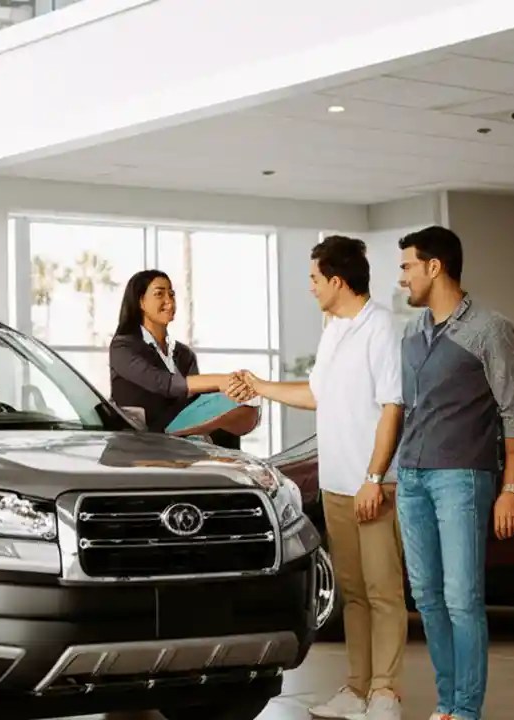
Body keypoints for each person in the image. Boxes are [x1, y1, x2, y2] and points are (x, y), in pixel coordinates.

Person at [228, 236, 406, 720]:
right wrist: (259, 385)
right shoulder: (334, 330)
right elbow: (315, 395)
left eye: (313, 279)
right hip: (336, 483)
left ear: (337, 280)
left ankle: (386, 693)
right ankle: (356, 688)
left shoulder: (381, 327)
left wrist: (375, 476)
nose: (309, 288)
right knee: (352, 593)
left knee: (383, 591)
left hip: (375, 484)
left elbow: (394, 404)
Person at [394, 225, 514, 720]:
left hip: (462, 479)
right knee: (427, 597)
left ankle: (467, 709)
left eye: (407, 266)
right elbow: (409, 407)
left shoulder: (490, 329)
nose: (402, 278)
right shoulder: (411, 333)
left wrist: (510, 488)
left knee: (462, 598)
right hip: (411, 477)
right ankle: (447, 703)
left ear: (435, 266)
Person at [107, 270, 243, 445]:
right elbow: (162, 383)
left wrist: (232, 389)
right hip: (139, 442)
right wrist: (221, 381)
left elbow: (195, 401)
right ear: (140, 301)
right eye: (159, 294)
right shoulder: (123, 347)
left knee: (232, 408)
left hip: (182, 440)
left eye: (171, 294)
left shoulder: (184, 354)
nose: (169, 302)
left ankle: (232, 467)